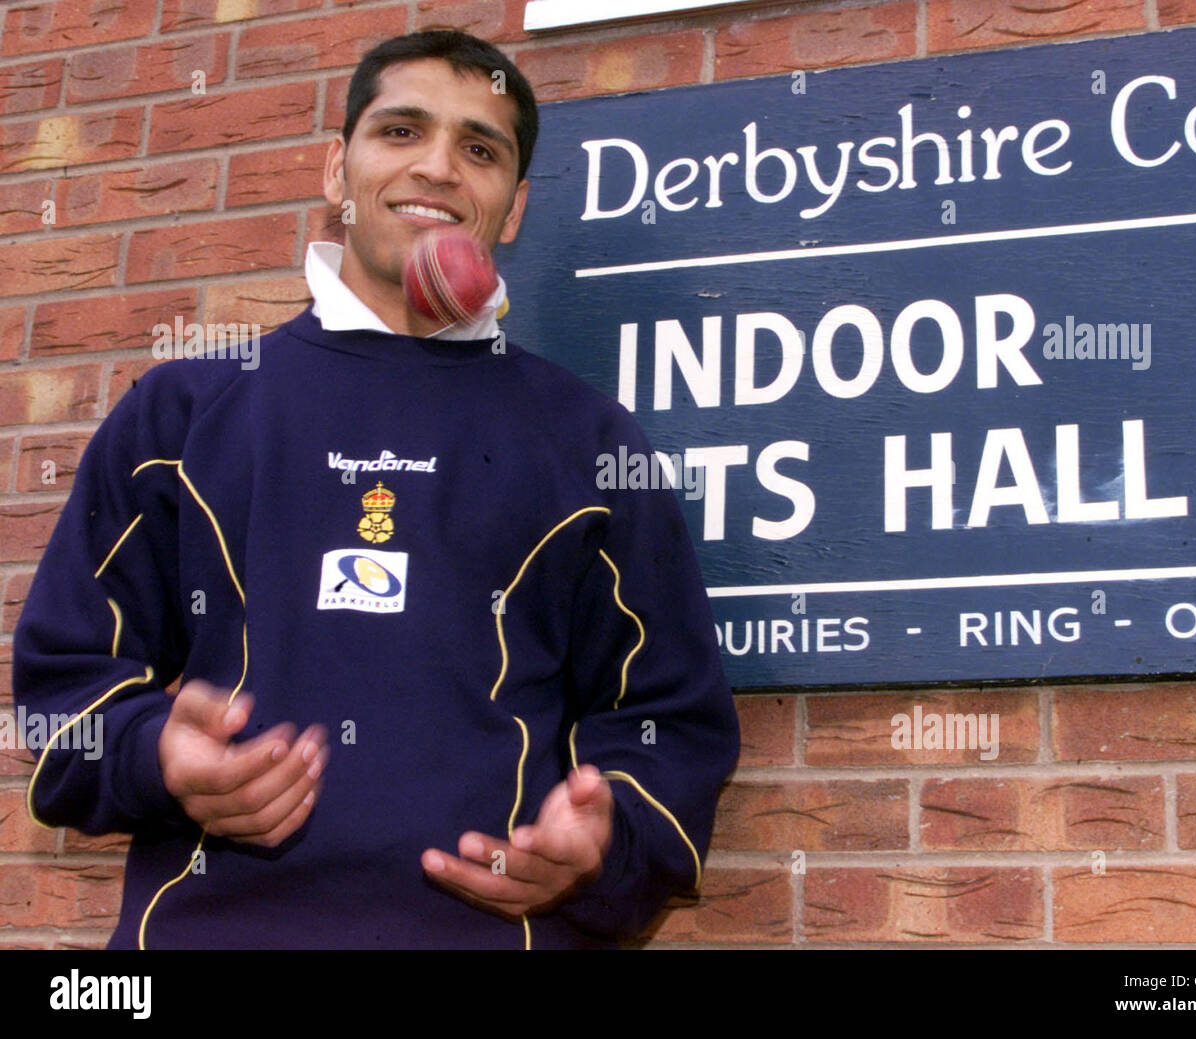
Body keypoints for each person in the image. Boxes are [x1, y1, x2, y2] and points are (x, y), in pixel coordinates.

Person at [12, 29, 740, 949]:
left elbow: (668, 720)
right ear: (336, 171)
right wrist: (155, 750)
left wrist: (604, 840)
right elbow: (60, 693)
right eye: (401, 131)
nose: (437, 167)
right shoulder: (182, 410)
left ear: (511, 210)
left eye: (480, 148)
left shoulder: (590, 441)